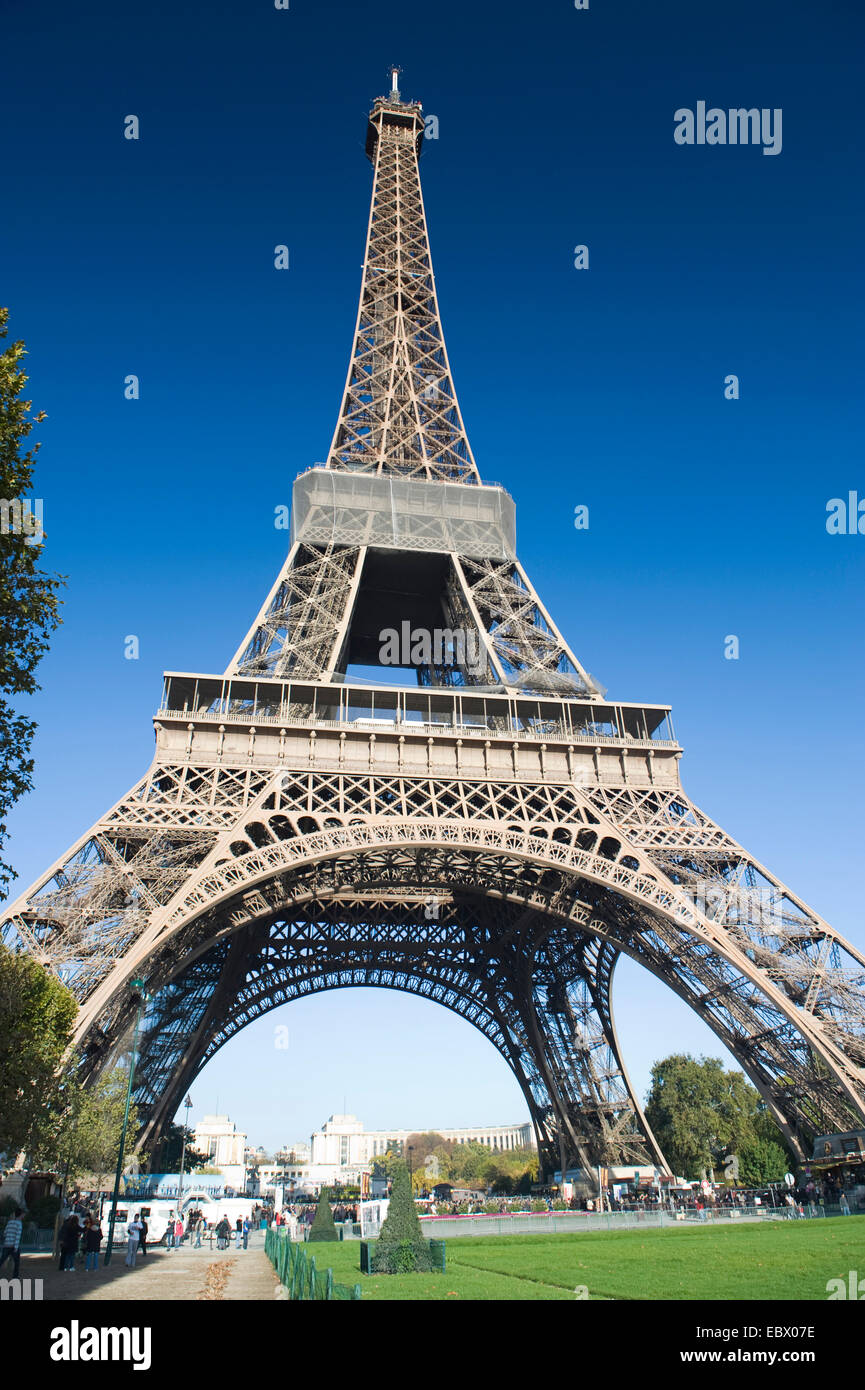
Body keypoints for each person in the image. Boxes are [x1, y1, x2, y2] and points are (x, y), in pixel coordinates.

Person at [0, 1207, 24, 1279]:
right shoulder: (19, 1224)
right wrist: (16, 1247)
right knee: (17, 1262)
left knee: (2, 1260)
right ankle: (15, 1277)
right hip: (13, 1246)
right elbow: (17, 1236)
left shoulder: (9, 1222)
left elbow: (5, 1233)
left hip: (6, 1245)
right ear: (21, 1215)